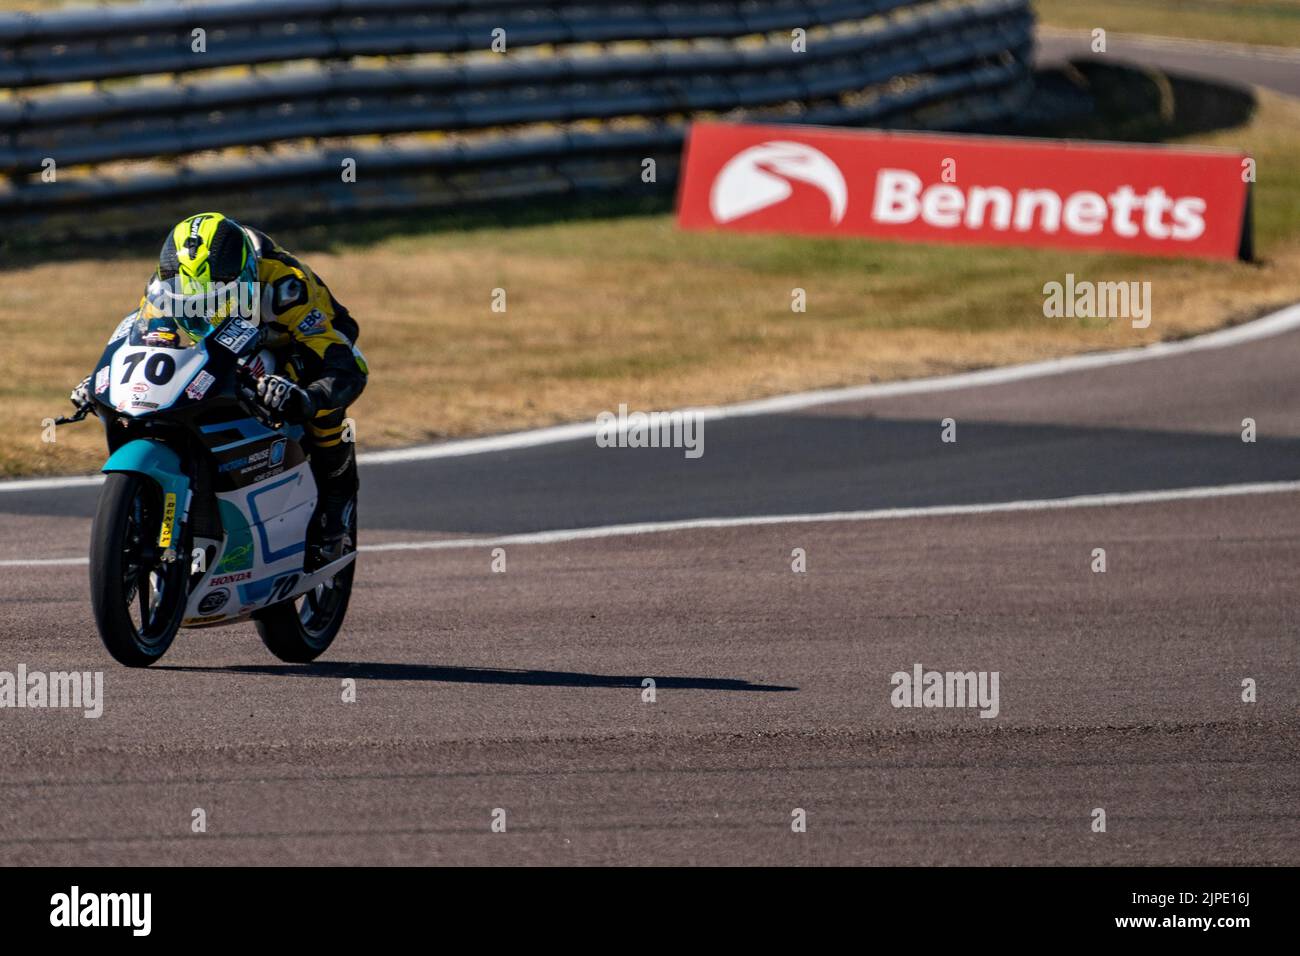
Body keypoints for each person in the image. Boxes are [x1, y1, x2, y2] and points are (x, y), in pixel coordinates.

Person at [70, 212, 368, 569]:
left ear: (246, 279)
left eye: (220, 298)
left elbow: (343, 361)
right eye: (190, 300)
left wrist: (307, 395)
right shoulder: (163, 284)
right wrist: (102, 381)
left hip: (292, 343)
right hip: (219, 349)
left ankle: (336, 501)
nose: (205, 310)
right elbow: (148, 341)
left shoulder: (287, 285)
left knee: (315, 401)